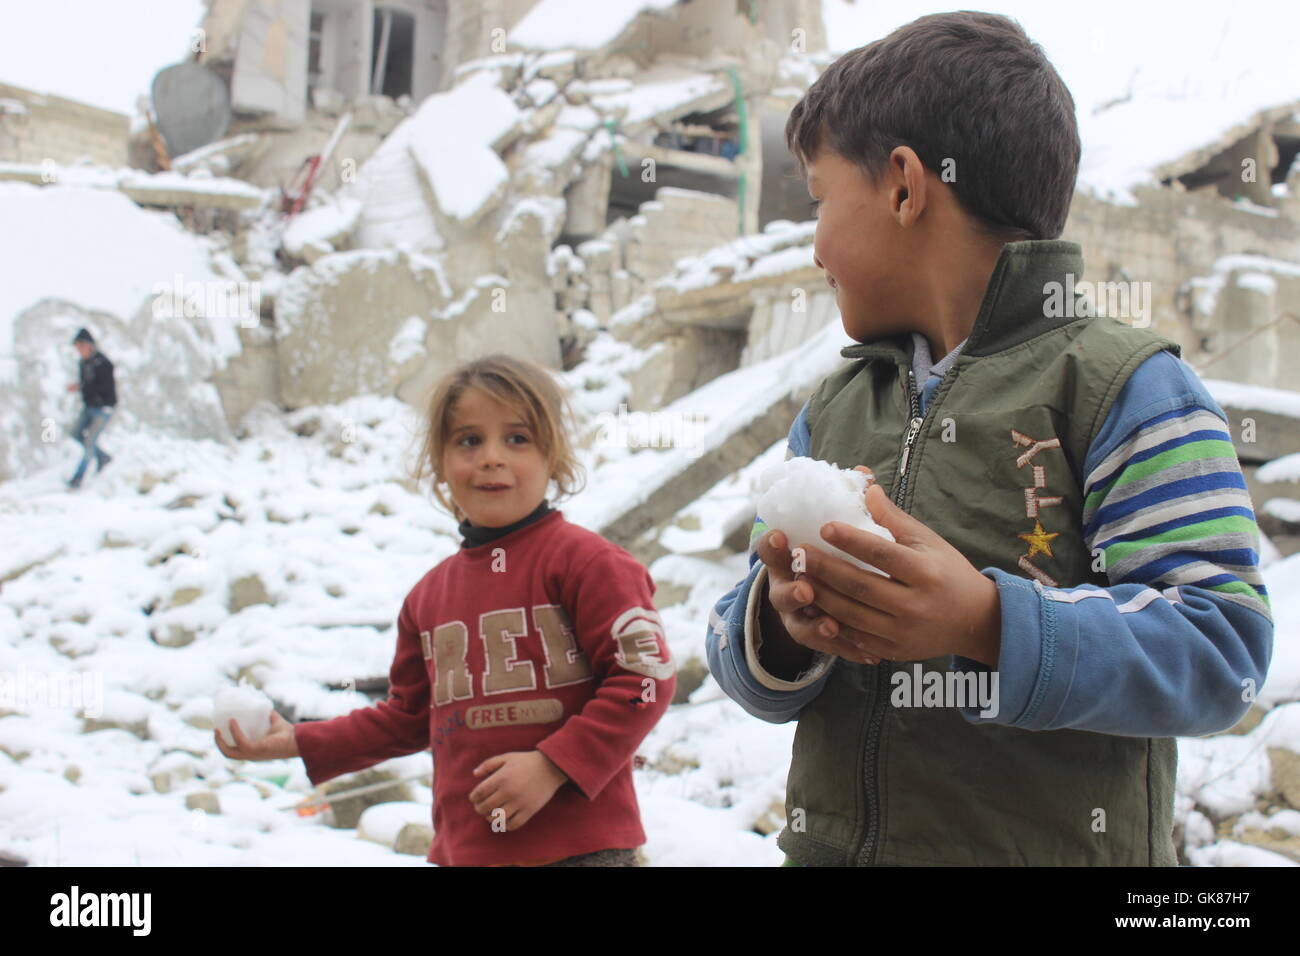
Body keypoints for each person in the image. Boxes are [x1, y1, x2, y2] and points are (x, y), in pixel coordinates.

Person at [706, 12, 1273, 867]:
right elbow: (742, 629)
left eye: (820, 200)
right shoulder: (839, 405)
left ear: (903, 186)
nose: (815, 244)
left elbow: (1220, 648)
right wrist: (782, 622)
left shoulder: (1122, 387)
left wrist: (985, 623)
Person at [215, 354, 676, 866]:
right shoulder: (427, 598)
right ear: (439, 464)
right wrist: (298, 741)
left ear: (555, 458)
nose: (491, 457)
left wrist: (552, 766)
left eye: (518, 438)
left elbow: (644, 679)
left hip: (583, 850)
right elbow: (407, 719)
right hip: (466, 853)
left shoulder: (589, 563)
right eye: (469, 440)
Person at [65, 328, 116, 489]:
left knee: (89, 442)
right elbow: (86, 385)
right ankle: (102, 457)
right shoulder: (83, 364)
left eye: (80, 347)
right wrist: (81, 387)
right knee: (76, 434)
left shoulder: (103, 363)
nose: (79, 351)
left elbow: (103, 387)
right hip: (90, 407)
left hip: (103, 408)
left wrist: (82, 386)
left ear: (89, 346)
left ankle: (78, 479)